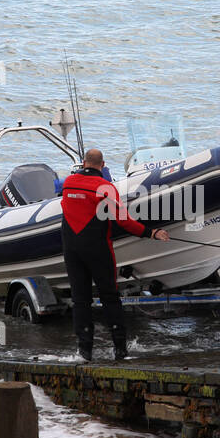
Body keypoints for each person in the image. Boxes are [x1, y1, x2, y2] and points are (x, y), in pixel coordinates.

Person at [60, 148, 169, 361]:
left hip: (71, 249)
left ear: (83, 163)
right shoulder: (105, 187)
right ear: (103, 165)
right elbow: (123, 221)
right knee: (109, 297)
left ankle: (84, 353)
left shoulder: (68, 183)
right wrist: (152, 233)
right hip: (97, 249)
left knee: (80, 300)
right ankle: (120, 350)